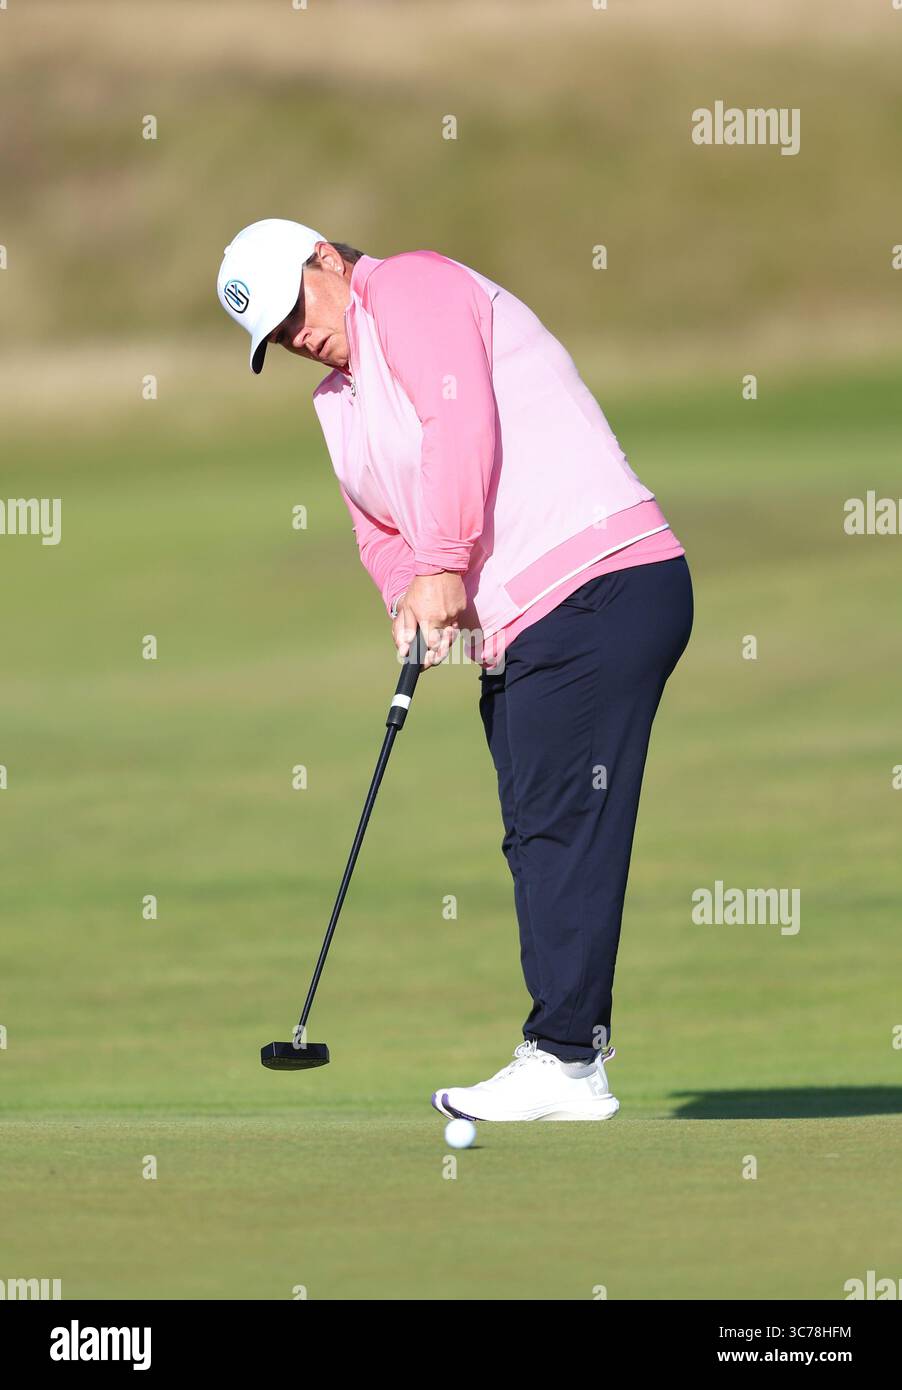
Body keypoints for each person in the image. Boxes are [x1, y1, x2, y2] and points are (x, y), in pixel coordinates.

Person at [217, 219, 693, 1121]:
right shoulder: (338, 401)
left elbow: (458, 418)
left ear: (326, 259)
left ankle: (563, 1059)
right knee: (535, 827)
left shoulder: (410, 287)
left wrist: (442, 564)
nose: (295, 338)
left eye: (294, 312)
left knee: (558, 823)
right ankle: (568, 1059)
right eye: (274, 338)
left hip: (601, 581)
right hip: (527, 620)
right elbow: (377, 527)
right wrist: (413, 592)